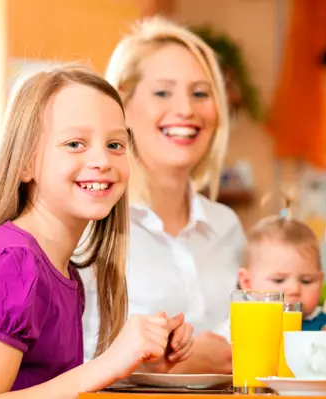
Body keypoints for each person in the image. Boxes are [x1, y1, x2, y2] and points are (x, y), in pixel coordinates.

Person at [0, 65, 192, 397]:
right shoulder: (13, 263)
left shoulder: (64, 273)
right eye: (75, 143)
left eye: (115, 144)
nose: (102, 160)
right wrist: (109, 363)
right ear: (25, 163)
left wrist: (134, 363)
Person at [82, 16, 245, 374]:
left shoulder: (227, 227)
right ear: (122, 102)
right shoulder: (89, 226)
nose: (186, 109)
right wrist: (174, 365)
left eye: (201, 93)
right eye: (162, 92)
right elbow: (66, 359)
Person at [238, 197, 326, 331]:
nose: (294, 290)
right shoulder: (239, 324)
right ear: (247, 282)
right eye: (279, 280)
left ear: (321, 281)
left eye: (306, 281)